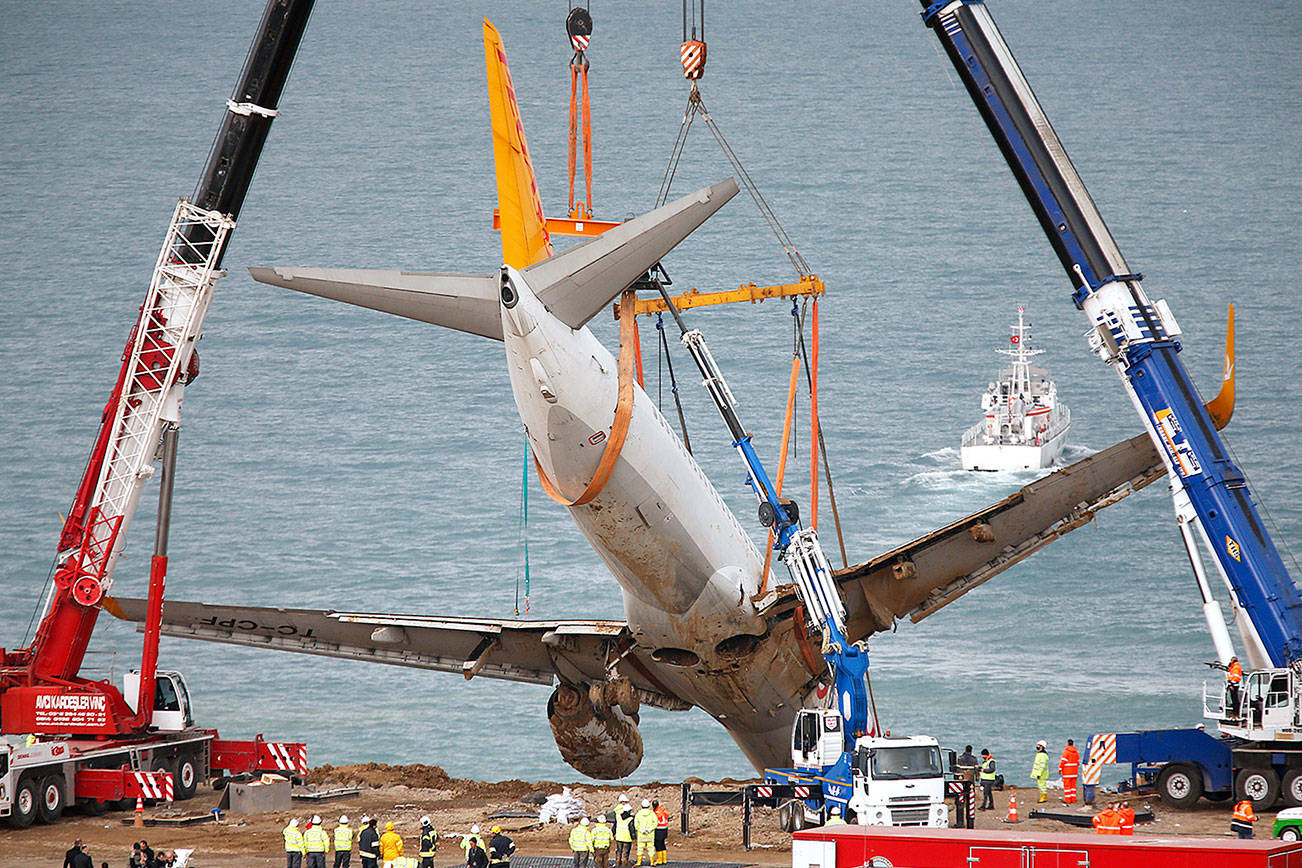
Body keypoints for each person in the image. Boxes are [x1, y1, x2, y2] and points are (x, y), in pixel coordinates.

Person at [613, 796, 634, 868]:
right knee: (625, 852)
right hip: (627, 838)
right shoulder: (630, 819)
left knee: (619, 851)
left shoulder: (618, 816)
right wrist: (633, 837)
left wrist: (614, 833)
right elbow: (631, 829)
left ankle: (617, 862)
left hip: (619, 836)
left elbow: (615, 825)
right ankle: (625, 863)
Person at [634, 800, 656, 866]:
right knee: (651, 848)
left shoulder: (638, 814)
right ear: (649, 806)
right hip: (650, 835)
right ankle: (652, 862)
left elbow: (636, 824)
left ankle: (639, 862)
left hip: (641, 836)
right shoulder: (652, 814)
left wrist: (642, 830)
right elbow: (655, 823)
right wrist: (649, 830)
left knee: (640, 848)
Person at [1059, 740, 1080, 805]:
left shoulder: (1066, 752)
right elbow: (1078, 762)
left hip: (1067, 773)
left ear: (1067, 744)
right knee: (1073, 786)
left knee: (1067, 787)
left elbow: (1063, 762)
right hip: (1074, 772)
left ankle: (1067, 800)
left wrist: (1060, 769)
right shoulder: (1076, 752)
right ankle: (1073, 799)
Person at [652, 800, 670, 865]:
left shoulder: (656, 812)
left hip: (659, 829)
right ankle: (664, 859)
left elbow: (653, 821)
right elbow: (668, 817)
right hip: (665, 828)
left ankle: (659, 860)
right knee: (662, 844)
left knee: (658, 844)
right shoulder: (662, 809)